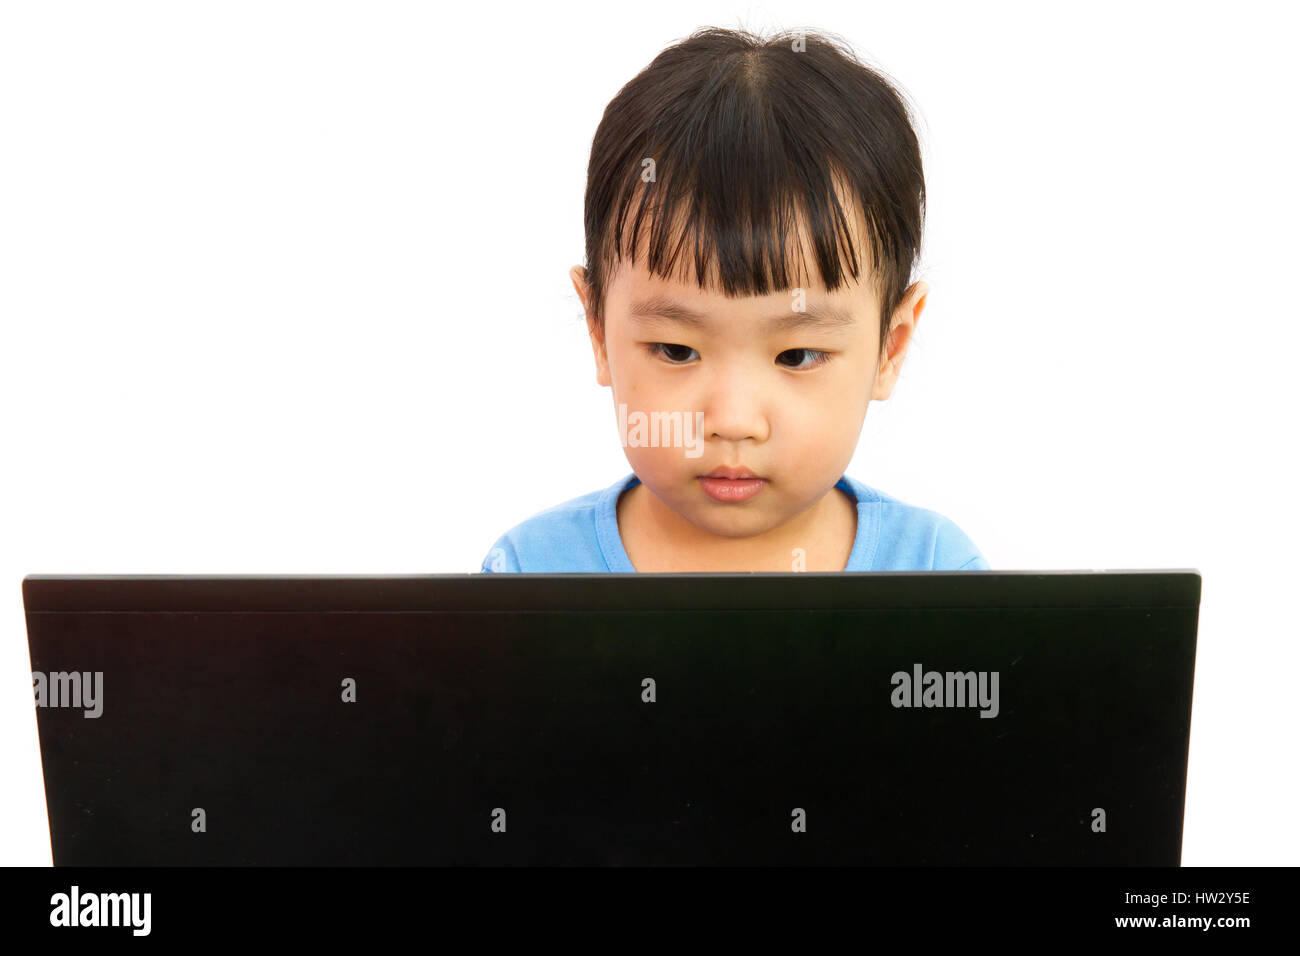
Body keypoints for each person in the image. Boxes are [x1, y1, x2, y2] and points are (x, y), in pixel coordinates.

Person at [482, 27, 989, 573]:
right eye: (676, 350)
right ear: (599, 331)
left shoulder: (936, 576)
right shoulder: (529, 578)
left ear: (891, 347)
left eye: (796, 356)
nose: (733, 422)